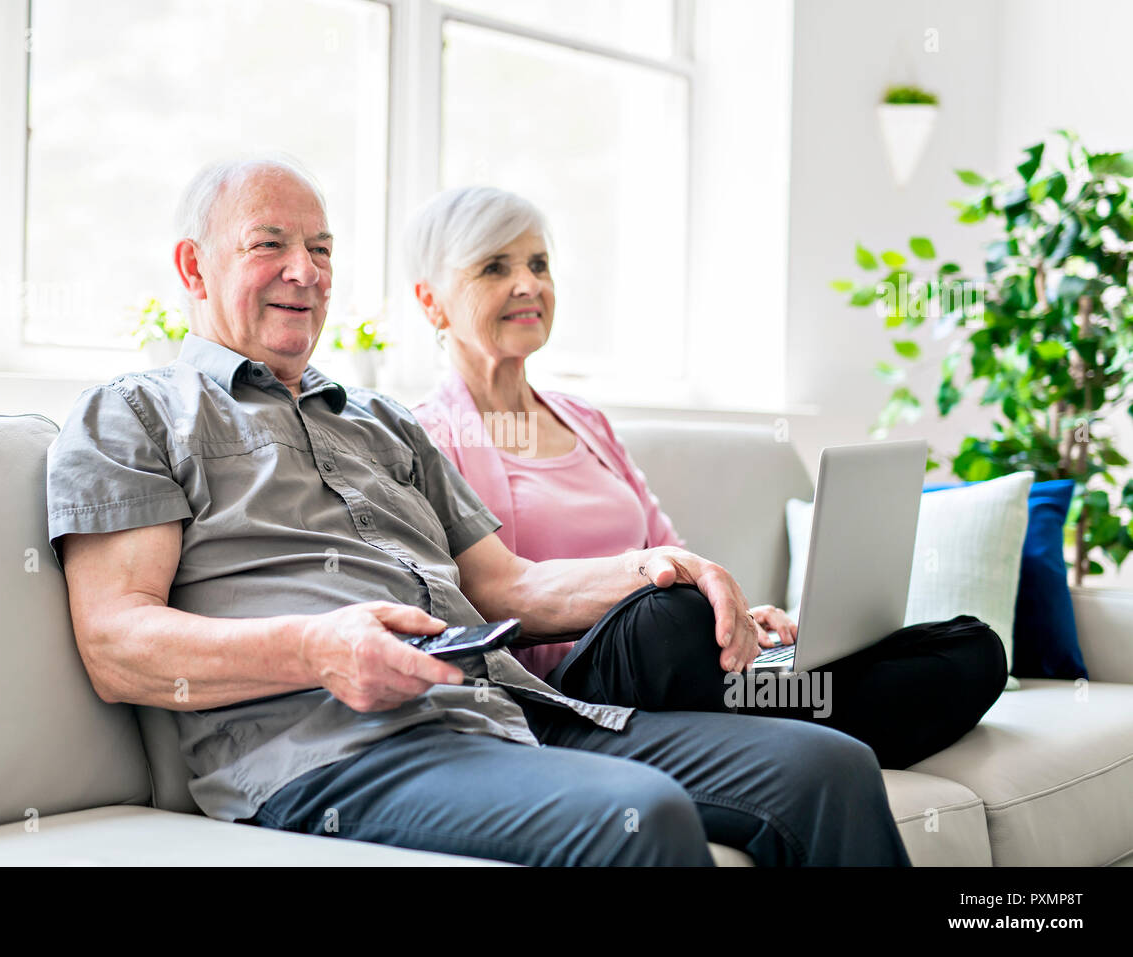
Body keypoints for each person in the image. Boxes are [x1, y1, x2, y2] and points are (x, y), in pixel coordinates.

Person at [46, 154, 912, 867]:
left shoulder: (379, 419)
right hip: (341, 757)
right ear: (194, 267)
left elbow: (509, 585)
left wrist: (650, 567)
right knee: (639, 815)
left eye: (321, 248)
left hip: (511, 717)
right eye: (269, 245)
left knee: (828, 766)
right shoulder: (136, 413)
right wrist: (320, 646)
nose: (305, 272)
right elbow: (118, 643)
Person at [408, 185, 1007, 771]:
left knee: (971, 646)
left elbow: (674, 550)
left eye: (539, 263)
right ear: (431, 301)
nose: (528, 284)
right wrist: (691, 610)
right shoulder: (427, 435)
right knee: (664, 617)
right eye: (494, 267)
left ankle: (791, 738)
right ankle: (836, 726)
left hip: (684, 670)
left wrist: (741, 618)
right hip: (582, 684)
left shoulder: (584, 421)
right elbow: (484, 604)